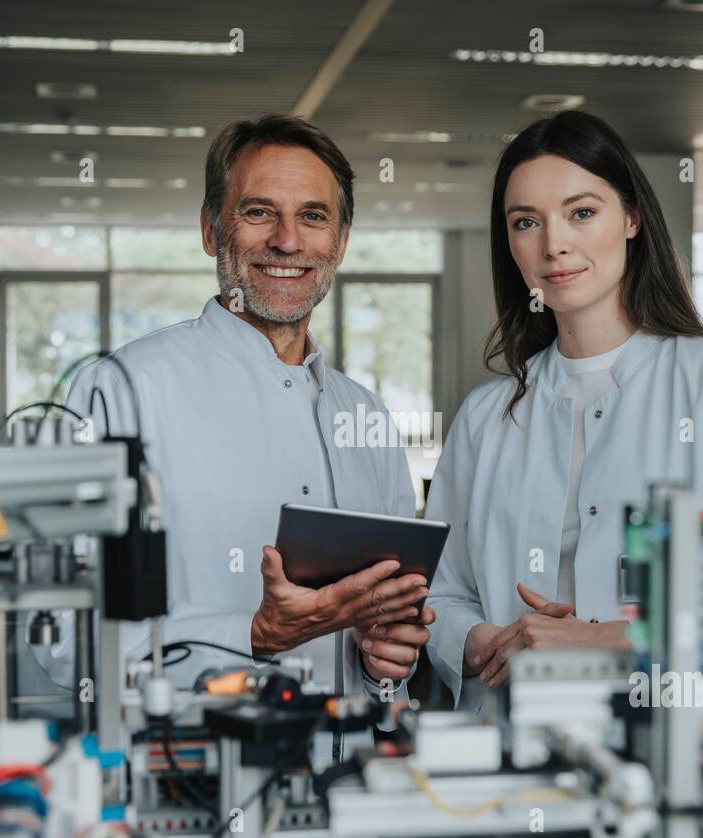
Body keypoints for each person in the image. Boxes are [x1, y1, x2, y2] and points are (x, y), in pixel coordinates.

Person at [37, 114, 432, 760]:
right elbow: (59, 634)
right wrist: (251, 633)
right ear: (210, 229)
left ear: (341, 241)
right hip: (180, 790)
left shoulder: (366, 416)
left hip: (348, 788)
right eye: (258, 212)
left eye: (313, 216)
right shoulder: (122, 391)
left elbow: (386, 640)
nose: (286, 240)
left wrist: (385, 660)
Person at [424, 110, 703, 712]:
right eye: (527, 222)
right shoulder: (483, 417)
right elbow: (443, 596)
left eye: (582, 212)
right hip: (503, 754)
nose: (555, 245)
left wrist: (603, 640)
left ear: (631, 218)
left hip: (673, 747)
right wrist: (484, 643)